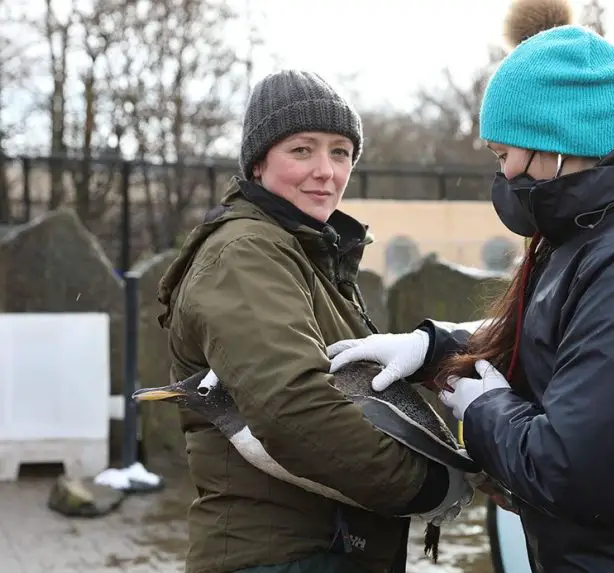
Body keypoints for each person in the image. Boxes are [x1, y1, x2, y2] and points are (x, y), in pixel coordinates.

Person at [326, 11, 614, 573]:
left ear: (556, 147)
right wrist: (438, 350)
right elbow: (567, 354)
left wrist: (484, 410)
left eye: (503, 156)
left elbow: (572, 471)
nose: (501, 174)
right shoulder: (605, 231)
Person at [155, 70, 473, 573]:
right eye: (302, 150)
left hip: (332, 548)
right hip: (283, 555)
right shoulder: (246, 253)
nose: (326, 170)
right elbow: (292, 406)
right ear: (258, 162)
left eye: (340, 152)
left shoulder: (307, 252)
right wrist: (422, 485)